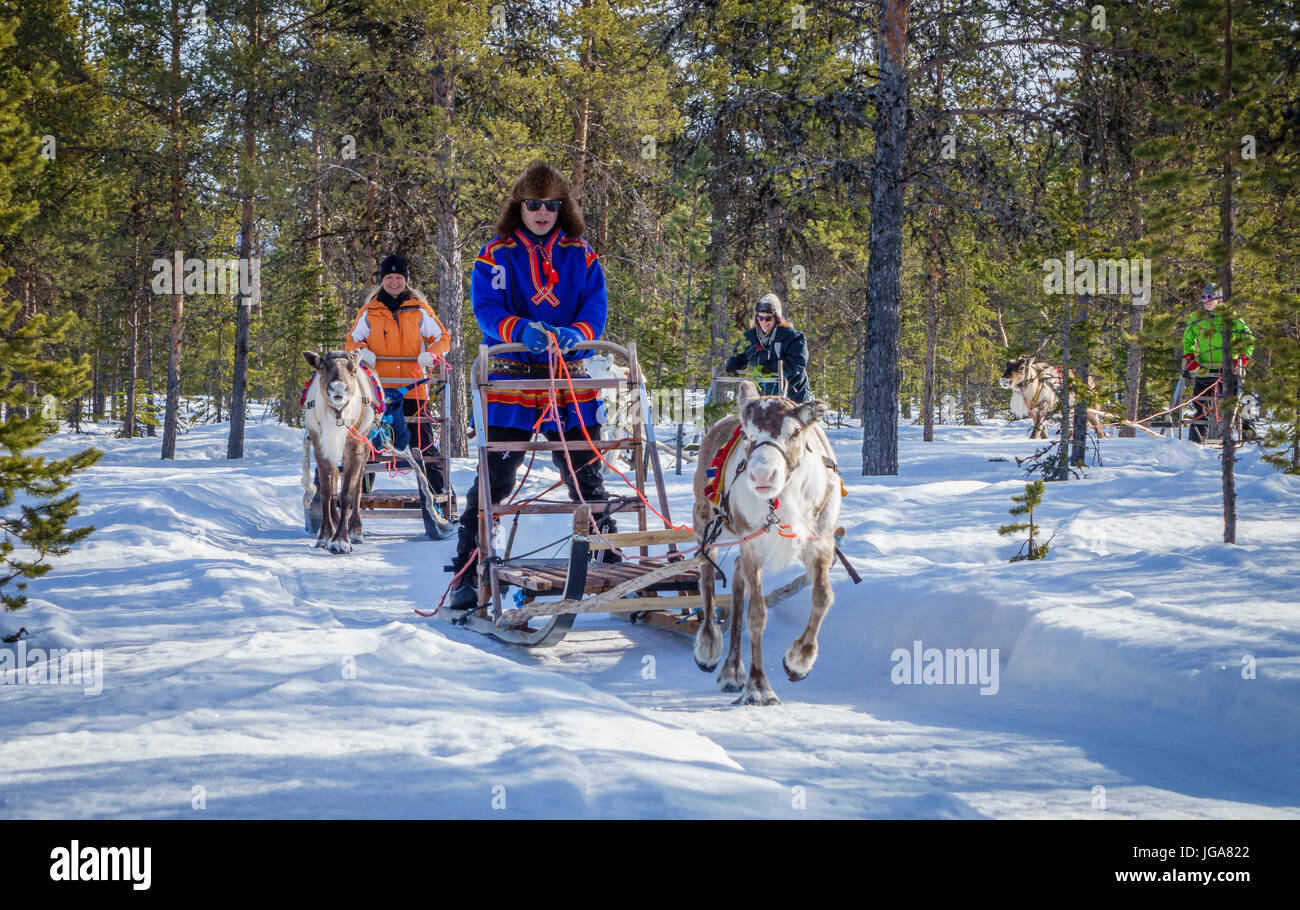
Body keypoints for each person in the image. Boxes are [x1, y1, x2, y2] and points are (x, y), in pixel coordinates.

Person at [449, 161, 613, 609]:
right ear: (519, 206)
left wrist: (579, 334)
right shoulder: (495, 253)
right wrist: (518, 329)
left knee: (585, 475)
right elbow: (485, 307)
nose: (542, 213)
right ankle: (467, 569)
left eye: (551, 205)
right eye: (534, 204)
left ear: (563, 208)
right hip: (512, 379)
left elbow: (595, 306)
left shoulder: (581, 253)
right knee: (496, 477)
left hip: (570, 380)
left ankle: (609, 557)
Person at [344, 254, 451, 495]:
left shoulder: (419, 309)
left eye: (399, 277)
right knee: (368, 442)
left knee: (421, 443)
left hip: (412, 389)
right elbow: (351, 341)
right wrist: (363, 352)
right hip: (377, 391)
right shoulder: (369, 311)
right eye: (389, 277)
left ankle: (437, 493)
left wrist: (431, 354)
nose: (394, 282)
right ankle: (358, 493)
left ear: (406, 280)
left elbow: (443, 338)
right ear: (382, 280)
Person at [1182, 283, 1255, 444]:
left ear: (1219, 299)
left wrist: (1241, 359)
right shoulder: (1197, 317)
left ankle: (1250, 441)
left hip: (1228, 370)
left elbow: (1248, 340)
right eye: (1203, 297)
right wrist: (1190, 358)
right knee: (1200, 407)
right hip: (1205, 369)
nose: (1206, 300)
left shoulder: (1231, 316)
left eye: (1210, 297)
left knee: (1237, 406)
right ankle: (1195, 443)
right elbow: (1188, 340)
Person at [724, 292, 811, 402]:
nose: (764, 322)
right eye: (760, 318)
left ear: (777, 318)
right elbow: (739, 355)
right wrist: (733, 365)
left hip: (793, 395)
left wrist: (773, 369)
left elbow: (798, 363)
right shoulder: (750, 337)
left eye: (768, 318)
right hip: (765, 396)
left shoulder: (793, 337)